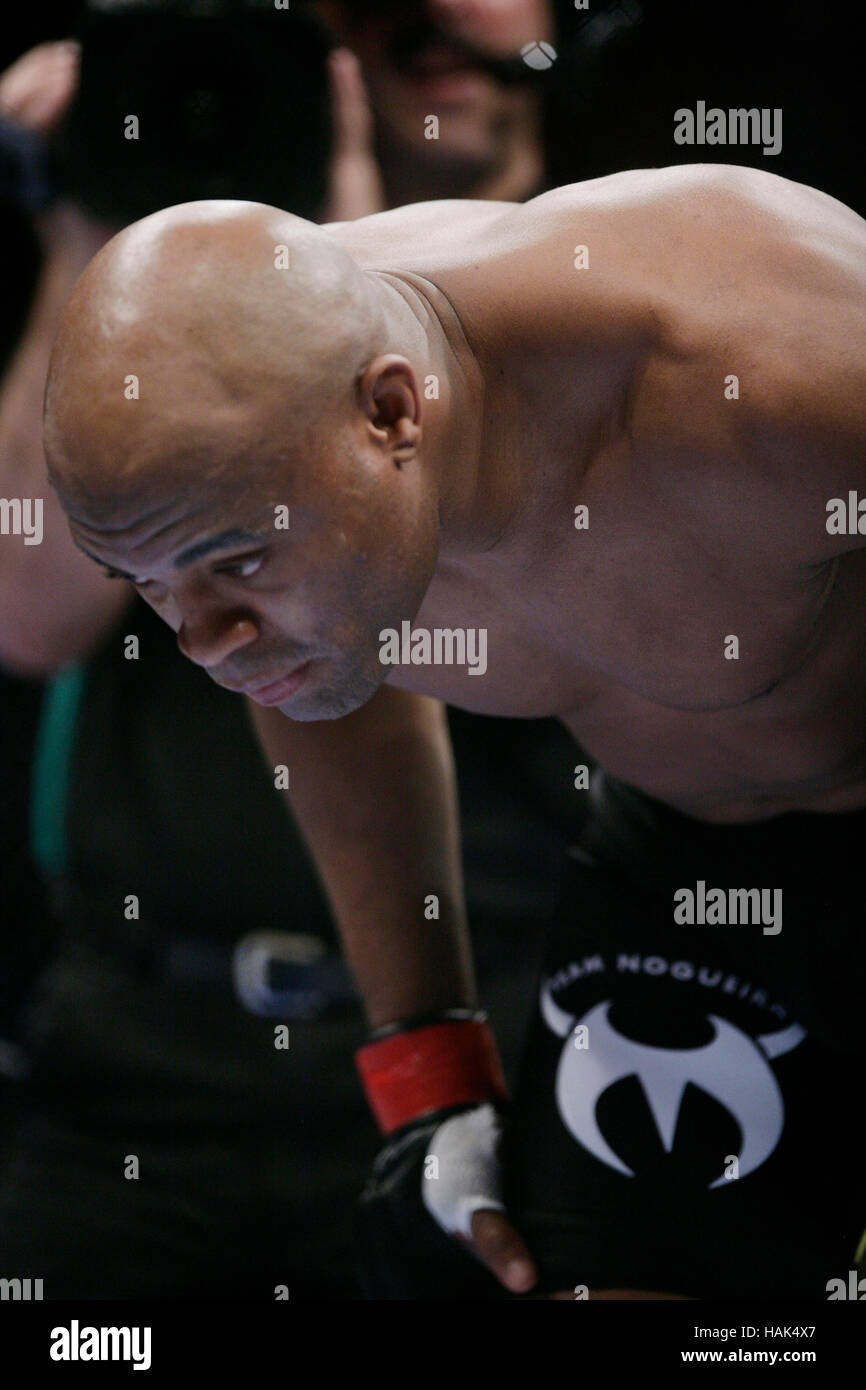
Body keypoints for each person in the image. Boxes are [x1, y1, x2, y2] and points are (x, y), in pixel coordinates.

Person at [41, 164, 866, 1299]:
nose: (207, 641)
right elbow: (318, 687)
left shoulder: (763, 370)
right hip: (682, 857)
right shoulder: (257, 437)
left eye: (234, 564)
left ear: (391, 413)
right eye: (142, 580)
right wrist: (428, 1074)